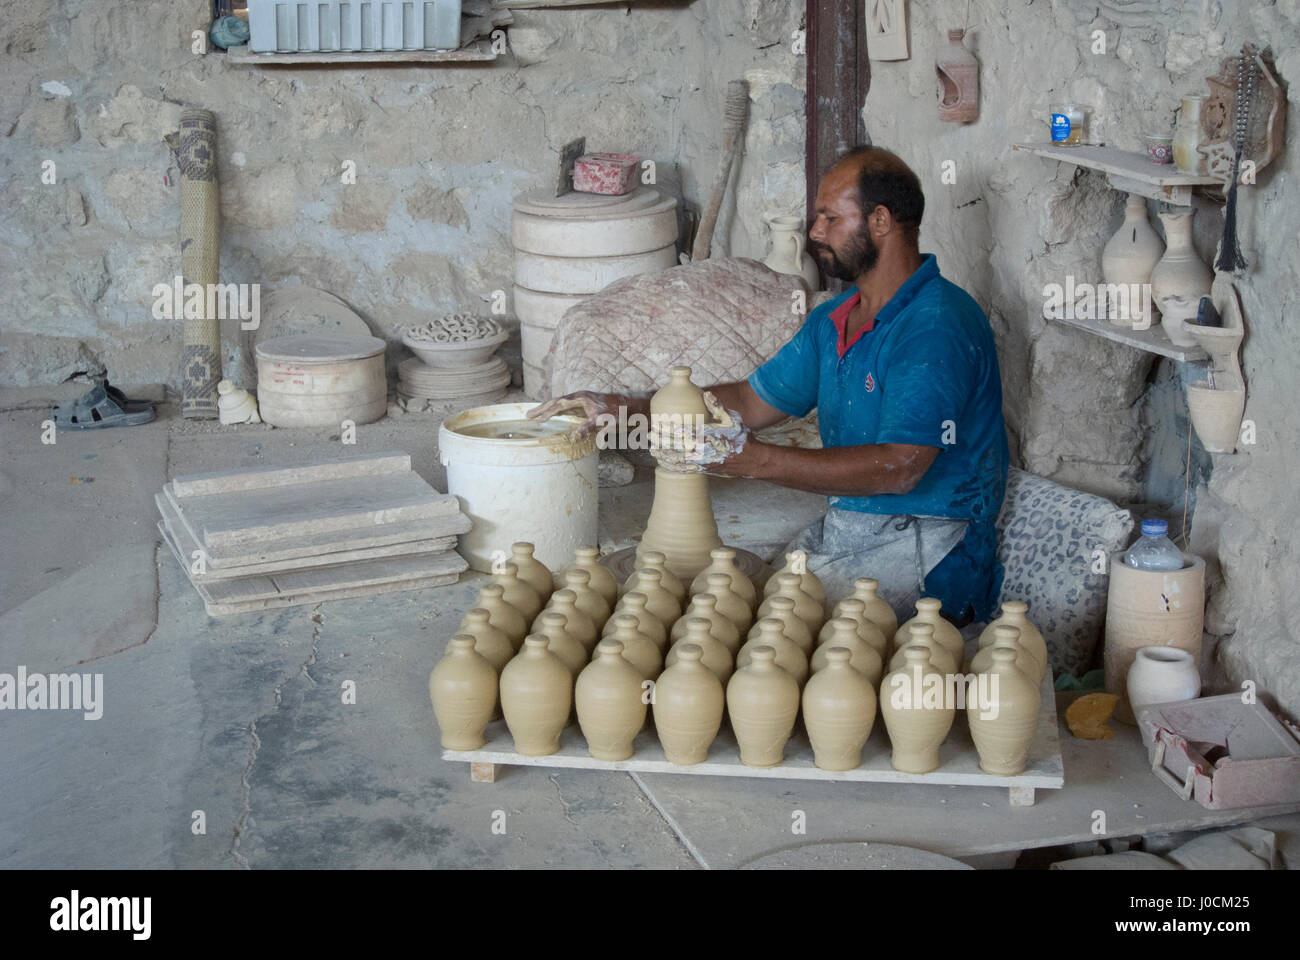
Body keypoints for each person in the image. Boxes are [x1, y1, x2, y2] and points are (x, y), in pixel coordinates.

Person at [528, 146, 1009, 626]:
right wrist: (626, 409)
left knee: (759, 629)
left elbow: (901, 468)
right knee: (727, 602)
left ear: (880, 221)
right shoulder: (834, 320)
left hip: (931, 544)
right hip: (853, 525)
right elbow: (750, 401)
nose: (816, 232)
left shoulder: (935, 325)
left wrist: (755, 461)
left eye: (829, 218)